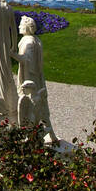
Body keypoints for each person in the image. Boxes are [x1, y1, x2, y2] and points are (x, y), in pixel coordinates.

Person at [13, 15, 58, 144]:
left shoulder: (28, 42)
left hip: (30, 78)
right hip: (37, 78)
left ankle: (28, 136)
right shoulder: (35, 39)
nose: (19, 26)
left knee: (31, 107)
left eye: (21, 25)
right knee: (42, 106)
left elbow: (28, 62)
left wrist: (11, 54)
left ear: (27, 27)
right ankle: (50, 134)